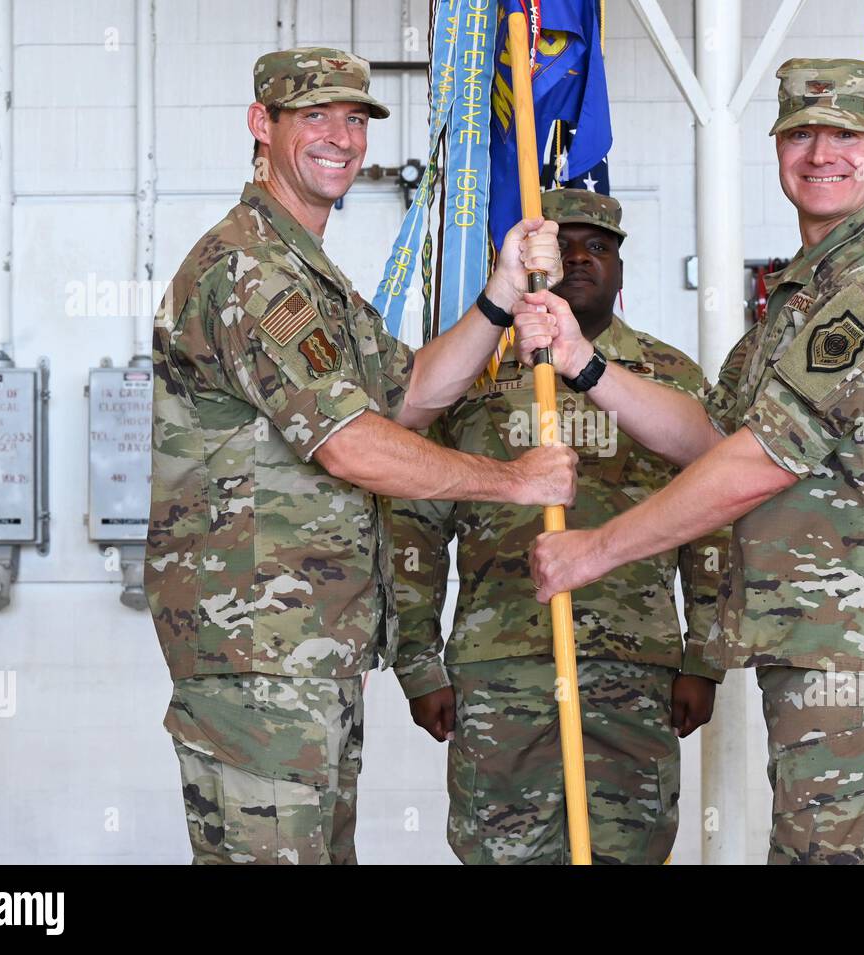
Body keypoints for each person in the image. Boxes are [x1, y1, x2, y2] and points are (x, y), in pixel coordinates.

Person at [514, 59, 864, 864]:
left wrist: (594, 549)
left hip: (863, 643)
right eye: (801, 132)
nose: (821, 151)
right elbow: (712, 435)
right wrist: (582, 359)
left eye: (847, 133)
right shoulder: (806, 289)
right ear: (777, 148)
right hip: (820, 637)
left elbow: (763, 460)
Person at [145, 48, 575, 865]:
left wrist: (500, 291)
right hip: (259, 658)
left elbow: (409, 391)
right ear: (260, 127)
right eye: (314, 116)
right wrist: (514, 481)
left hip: (309, 655)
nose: (340, 137)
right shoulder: (250, 270)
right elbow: (349, 444)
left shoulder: (312, 278)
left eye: (354, 118)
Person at [392, 189, 729, 864]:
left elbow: (712, 517)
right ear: (531, 258)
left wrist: (705, 657)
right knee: (502, 851)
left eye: (598, 247)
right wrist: (418, 661)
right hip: (502, 667)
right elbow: (416, 516)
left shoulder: (671, 378)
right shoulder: (476, 372)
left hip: (633, 667)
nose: (579, 258)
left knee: (629, 850)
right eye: (563, 245)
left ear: (622, 269)